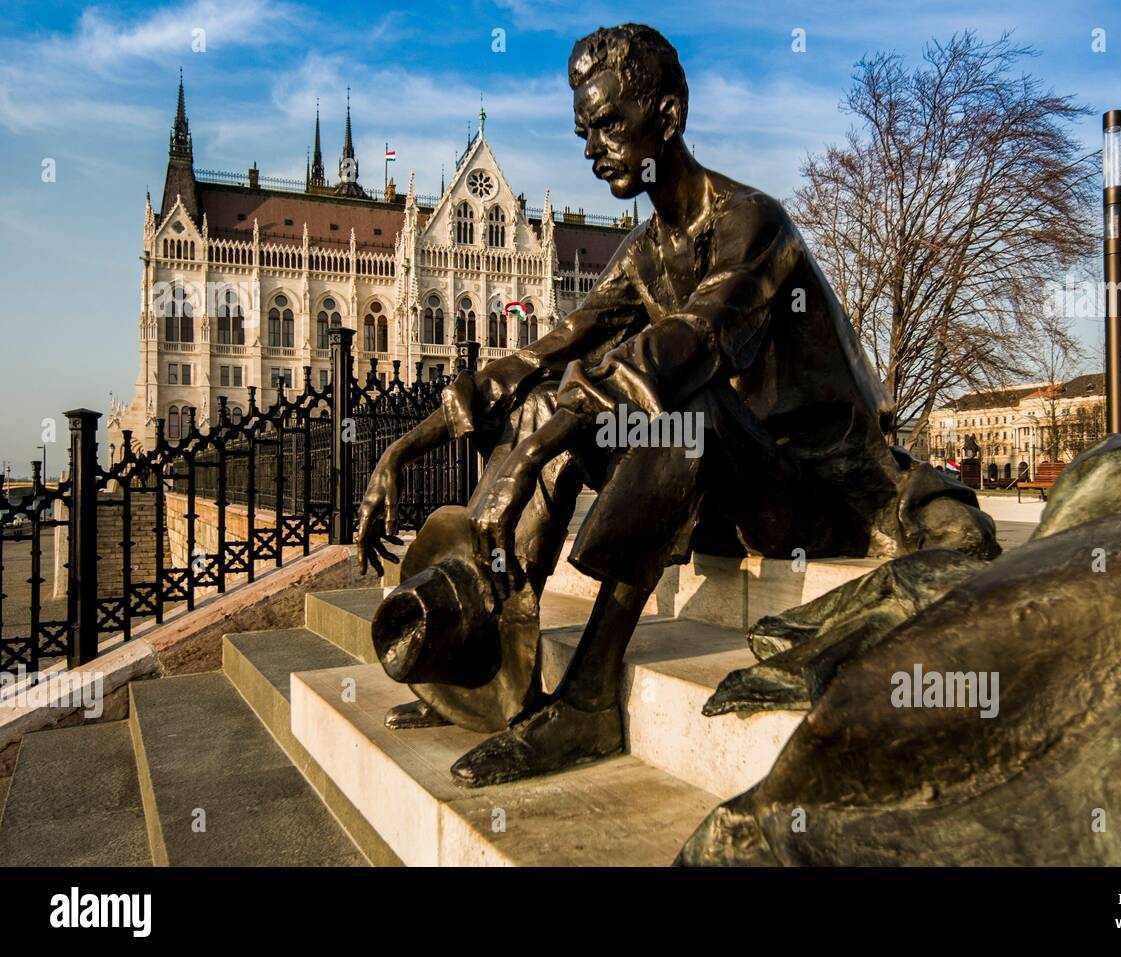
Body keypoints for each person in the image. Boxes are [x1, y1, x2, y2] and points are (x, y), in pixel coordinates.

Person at [356, 23, 996, 788]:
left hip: (823, 495)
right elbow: (542, 353)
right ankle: (493, 652)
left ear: (668, 113)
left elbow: (688, 344)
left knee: (681, 402)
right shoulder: (643, 250)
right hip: (742, 490)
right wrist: (405, 447)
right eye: (583, 130)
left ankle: (589, 699)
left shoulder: (752, 225)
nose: (593, 147)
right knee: (543, 404)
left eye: (609, 124)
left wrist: (531, 459)